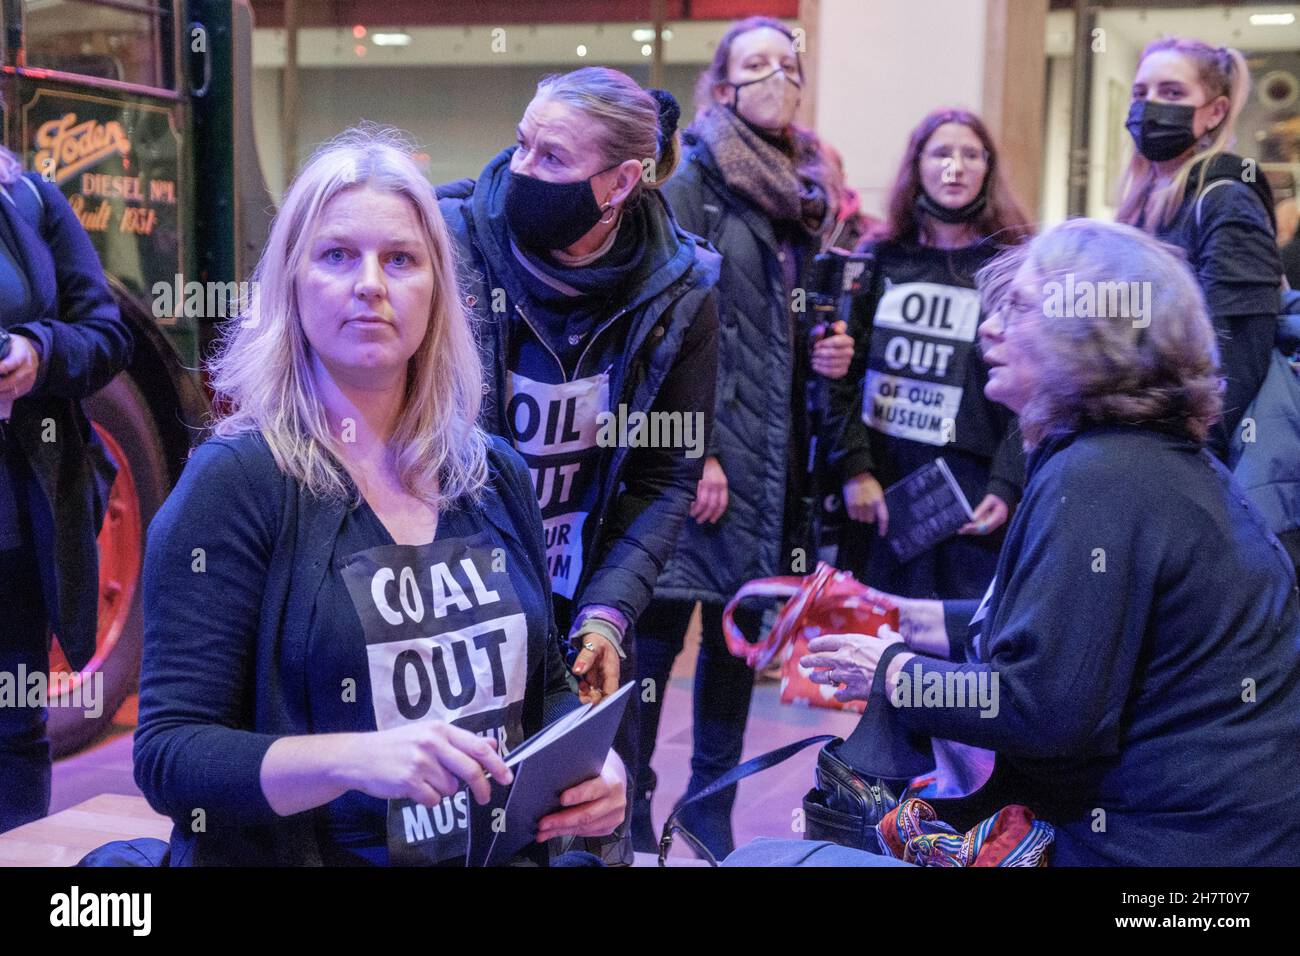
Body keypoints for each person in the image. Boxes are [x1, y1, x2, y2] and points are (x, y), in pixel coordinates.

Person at [133, 128, 625, 866]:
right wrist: (354, 760)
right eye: (337, 255)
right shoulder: (237, 483)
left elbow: (546, 690)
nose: (371, 283)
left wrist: (597, 768)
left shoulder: (491, 471)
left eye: (400, 259)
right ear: (291, 285)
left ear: (438, 291)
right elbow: (172, 756)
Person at [800, 219, 1300, 866]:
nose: (988, 327)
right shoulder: (1129, 459)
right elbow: (1062, 633)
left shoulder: (1100, 475)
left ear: (1094, 339)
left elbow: (1050, 712)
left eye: (1019, 308)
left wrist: (893, 672)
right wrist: (903, 616)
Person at [436, 67, 719, 864]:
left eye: (553, 158)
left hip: (580, 605)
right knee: (457, 832)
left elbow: (665, 475)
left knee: (589, 828)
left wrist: (609, 613)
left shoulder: (684, 288)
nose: (524, 167)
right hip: (454, 602)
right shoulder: (445, 240)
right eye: (522, 142)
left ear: (621, 181)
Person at [631, 15, 855, 858]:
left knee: (733, 658)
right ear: (721, 86)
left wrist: (825, 353)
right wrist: (703, 450)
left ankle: (712, 815)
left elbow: (778, 332)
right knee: (654, 650)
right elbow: (665, 329)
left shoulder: (805, 191)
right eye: (753, 65)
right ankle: (631, 813)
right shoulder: (690, 185)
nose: (774, 77)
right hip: (704, 468)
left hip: (774, 470)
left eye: (786, 64)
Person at [824, 109, 1031, 601]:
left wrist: (1007, 483)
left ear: (988, 169)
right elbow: (838, 372)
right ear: (917, 166)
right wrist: (855, 469)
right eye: (941, 153)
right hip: (880, 492)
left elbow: (1034, 386)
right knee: (873, 646)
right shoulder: (876, 257)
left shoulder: (1013, 265)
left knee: (956, 650)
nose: (954, 168)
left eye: (970, 155)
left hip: (972, 492)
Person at [0, 145, 131, 832]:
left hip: (15, 525)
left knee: (13, 729)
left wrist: (39, 352)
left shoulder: (32, 200)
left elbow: (107, 335)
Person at [1117, 37, 1283, 461]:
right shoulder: (1140, 203)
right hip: (1141, 432)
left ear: (1216, 111)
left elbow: (1237, 354)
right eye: (1141, 93)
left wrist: (1186, 451)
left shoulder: (1226, 198)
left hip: (1191, 448)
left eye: (1172, 93)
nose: (1150, 105)